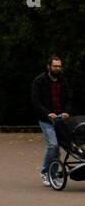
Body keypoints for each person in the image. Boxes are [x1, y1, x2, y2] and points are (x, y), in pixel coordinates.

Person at [33, 55, 73, 186]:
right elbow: (36, 101)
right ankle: (45, 172)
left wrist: (66, 111)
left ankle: (53, 174)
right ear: (49, 66)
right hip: (46, 119)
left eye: (59, 66)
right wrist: (47, 113)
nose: (58, 68)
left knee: (60, 147)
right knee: (53, 145)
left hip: (60, 119)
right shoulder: (39, 81)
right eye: (55, 66)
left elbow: (68, 99)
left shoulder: (63, 81)